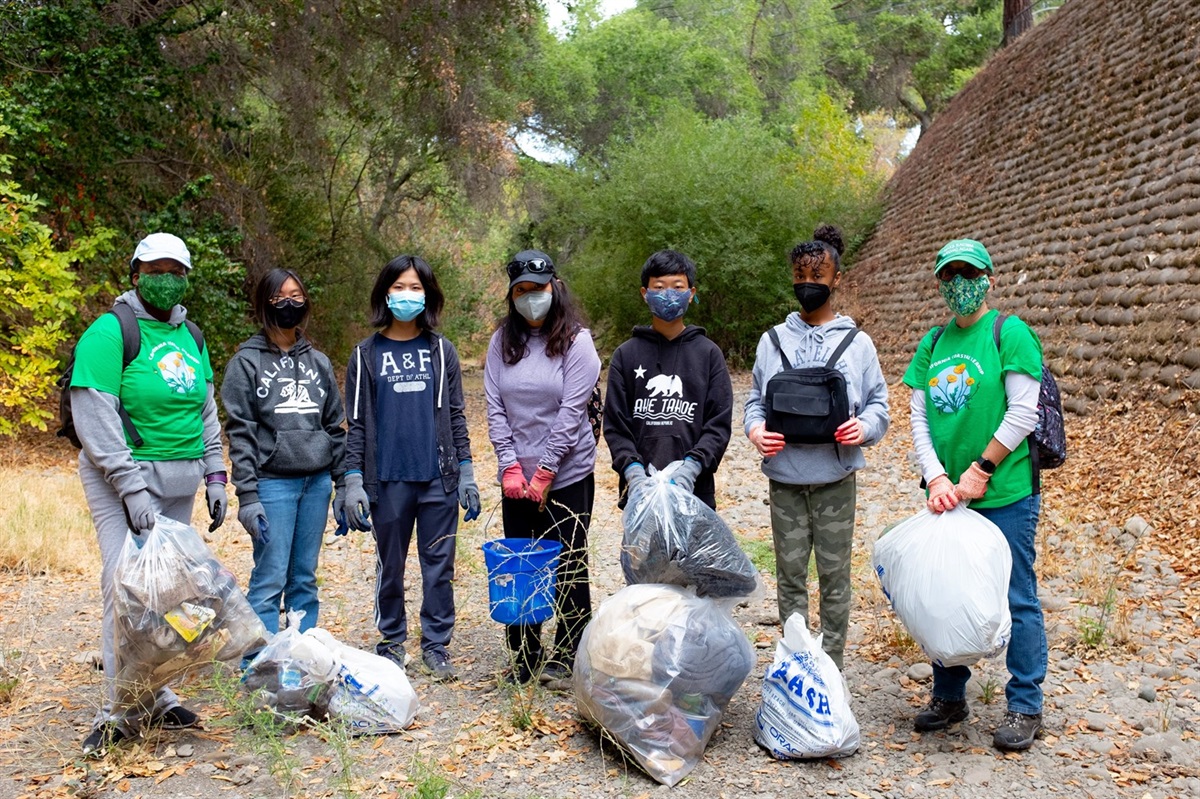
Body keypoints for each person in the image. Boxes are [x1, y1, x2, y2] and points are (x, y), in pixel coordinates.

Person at [71, 233, 227, 755]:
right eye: (156, 268)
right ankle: (116, 710)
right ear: (136, 272)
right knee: (124, 586)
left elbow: (205, 411)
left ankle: (156, 693)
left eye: (176, 270)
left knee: (168, 592)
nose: (167, 278)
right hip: (124, 479)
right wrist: (132, 489)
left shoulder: (193, 336)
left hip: (180, 478)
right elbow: (94, 416)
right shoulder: (111, 332)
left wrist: (215, 475)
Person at [902, 238, 1046, 751]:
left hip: (1004, 491)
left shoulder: (1011, 333)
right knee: (947, 594)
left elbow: (1024, 411)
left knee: (1016, 596)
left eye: (968, 273)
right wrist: (937, 476)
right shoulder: (933, 343)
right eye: (949, 276)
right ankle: (949, 696)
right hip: (949, 493)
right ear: (940, 283)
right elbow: (919, 416)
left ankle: (1025, 704)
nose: (959, 284)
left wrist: (980, 470)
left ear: (988, 277)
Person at [744, 225, 890, 670]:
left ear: (837, 279)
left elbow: (880, 404)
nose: (809, 283)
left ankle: (831, 672)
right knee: (789, 580)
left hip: (835, 480)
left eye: (818, 274)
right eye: (800, 274)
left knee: (835, 579)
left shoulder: (858, 344)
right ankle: (794, 669)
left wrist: (863, 429)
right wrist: (754, 432)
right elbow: (753, 401)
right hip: (785, 479)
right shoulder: (772, 341)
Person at [340, 255, 480, 682]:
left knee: (440, 568)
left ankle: (436, 645)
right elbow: (357, 423)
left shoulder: (442, 350)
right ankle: (391, 642)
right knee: (391, 565)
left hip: (438, 478)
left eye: (416, 288)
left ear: (429, 295)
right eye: (399, 287)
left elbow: (456, 415)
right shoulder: (365, 355)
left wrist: (467, 471)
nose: (407, 295)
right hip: (387, 481)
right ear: (385, 292)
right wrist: (352, 480)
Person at [484, 250, 601, 685]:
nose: (532, 298)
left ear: (555, 287)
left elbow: (572, 413)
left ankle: (569, 649)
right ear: (512, 295)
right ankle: (525, 651)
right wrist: (510, 466)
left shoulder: (577, 341)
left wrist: (547, 471)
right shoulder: (502, 342)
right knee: (522, 564)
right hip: (516, 477)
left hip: (567, 474)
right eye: (522, 291)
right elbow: (494, 407)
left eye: (539, 289)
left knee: (569, 562)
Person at [221, 268, 348, 653]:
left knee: (304, 579)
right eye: (278, 298)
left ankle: (301, 663)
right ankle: (259, 668)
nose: (288, 303)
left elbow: (335, 425)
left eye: (296, 295)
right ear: (264, 304)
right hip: (272, 483)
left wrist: (344, 484)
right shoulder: (245, 363)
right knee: (269, 577)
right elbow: (239, 431)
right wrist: (248, 496)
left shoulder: (319, 363)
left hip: (316, 483)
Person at [603, 249, 733, 508]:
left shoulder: (708, 354)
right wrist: (634, 472)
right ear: (645, 294)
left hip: (695, 491)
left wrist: (691, 468)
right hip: (640, 492)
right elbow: (616, 425)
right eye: (659, 287)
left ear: (691, 293)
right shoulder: (626, 355)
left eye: (677, 287)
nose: (668, 294)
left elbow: (718, 425)